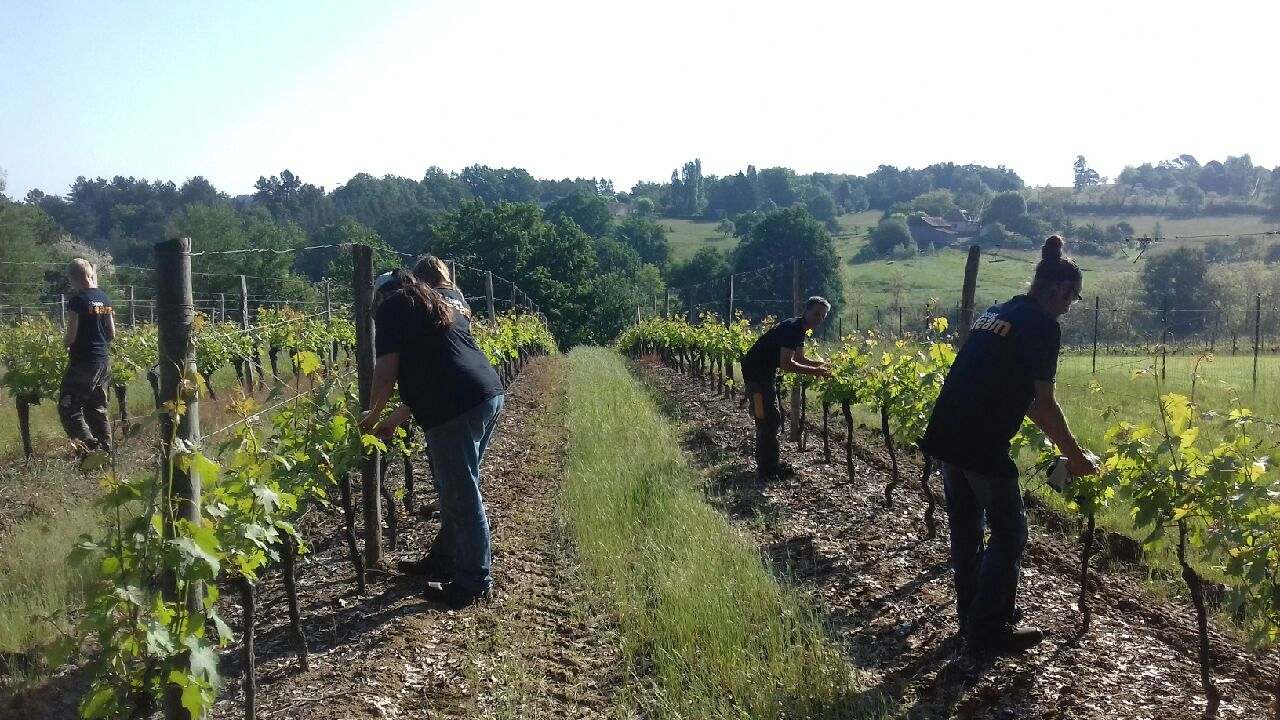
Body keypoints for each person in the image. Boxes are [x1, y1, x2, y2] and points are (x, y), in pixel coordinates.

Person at [920, 235, 1097, 656]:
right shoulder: (1043, 325)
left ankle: (973, 617)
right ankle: (989, 630)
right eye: (1072, 298)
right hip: (981, 442)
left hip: (946, 433)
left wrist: (1064, 447)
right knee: (1010, 531)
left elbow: (1019, 397)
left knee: (966, 530)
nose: (1070, 307)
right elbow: (1043, 404)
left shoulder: (997, 312)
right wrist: (1075, 457)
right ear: (1059, 289)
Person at [360, 256, 505, 609]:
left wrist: (372, 415)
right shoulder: (434, 302)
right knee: (455, 487)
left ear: (381, 296)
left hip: (454, 406)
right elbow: (434, 369)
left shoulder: (393, 307)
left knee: (461, 494)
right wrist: (394, 418)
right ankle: (445, 557)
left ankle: (474, 582)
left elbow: (386, 373)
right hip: (485, 394)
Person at [739, 296, 832, 480]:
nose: (819, 319)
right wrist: (816, 372)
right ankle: (767, 469)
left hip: (764, 373)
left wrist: (822, 366)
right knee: (767, 419)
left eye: (823, 316)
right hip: (756, 375)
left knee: (770, 417)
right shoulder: (792, 329)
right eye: (816, 314)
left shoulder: (799, 329)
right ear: (806, 311)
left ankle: (769, 465)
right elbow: (786, 364)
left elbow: (800, 358)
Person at [60, 258, 115, 455]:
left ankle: (88, 449)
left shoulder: (77, 301)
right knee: (97, 408)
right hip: (103, 361)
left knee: (68, 407)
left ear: (74, 278)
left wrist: (64, 344)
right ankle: (106, 451)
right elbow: (111, 333)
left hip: (83, 362)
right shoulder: (105, 299)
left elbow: (71, 336)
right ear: (90, 274)